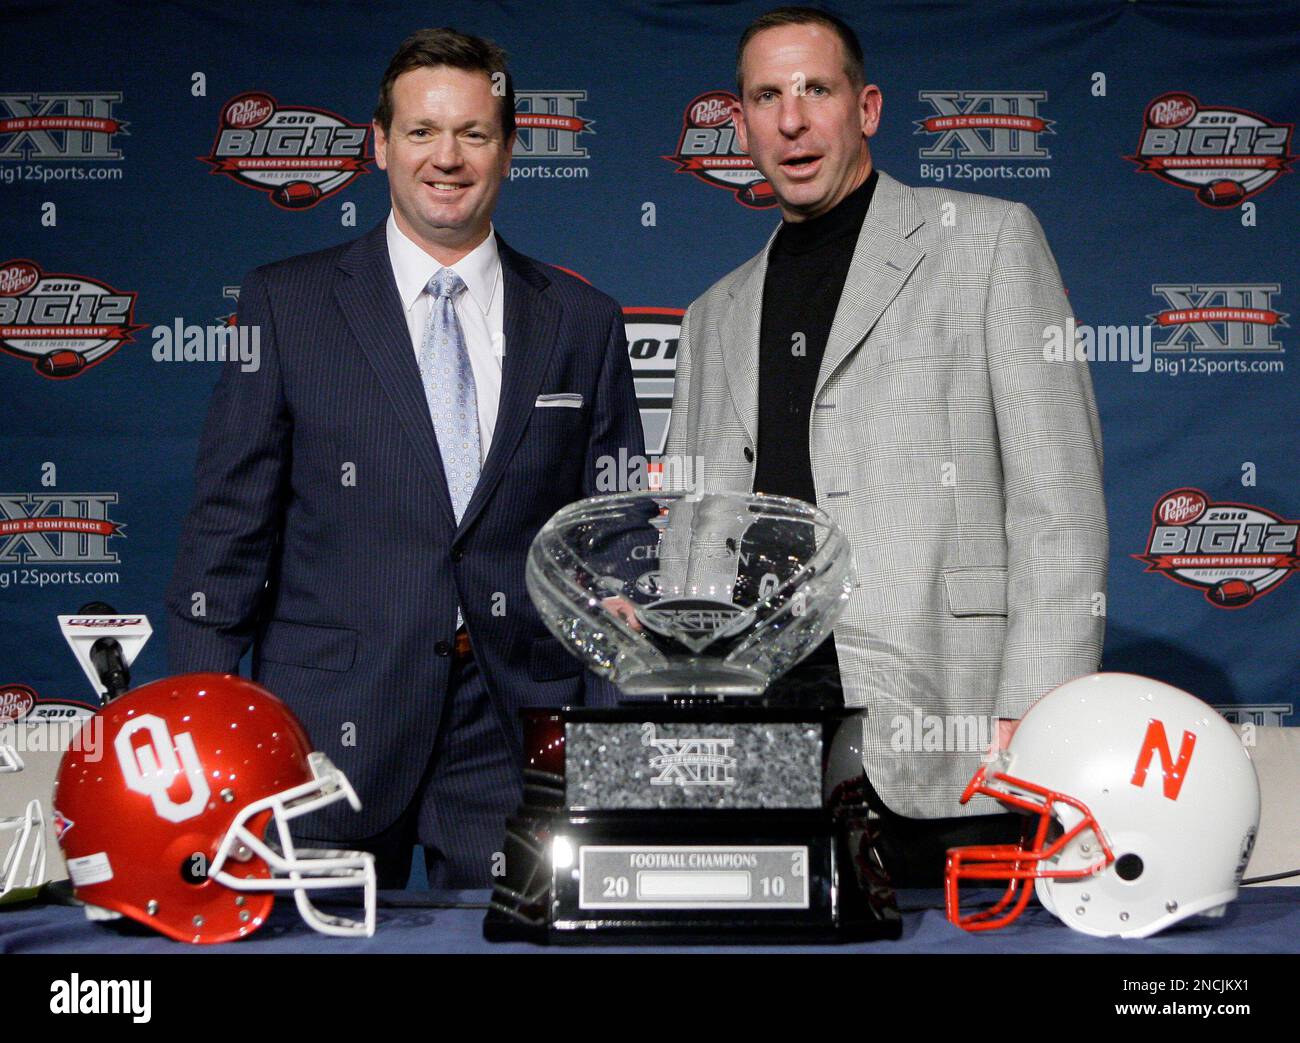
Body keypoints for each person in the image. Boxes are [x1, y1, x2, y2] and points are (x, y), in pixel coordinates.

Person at [166, 27, 643, 889]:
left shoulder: (583, 321)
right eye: (422, 131)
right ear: (379, 145)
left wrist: (603, 752)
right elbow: (227, 532)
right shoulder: (287, 305)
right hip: (323, 728)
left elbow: (610, 551)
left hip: (513, 725)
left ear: (509, 150)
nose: (447, 157)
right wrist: (203, 743)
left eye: (473, 133)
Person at [662, 7, 1107, 885]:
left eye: (815, 90)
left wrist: (1034, 711)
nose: (791, 119)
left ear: (865, 108)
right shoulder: (713, 312)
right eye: (766, 96)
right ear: (741, 121)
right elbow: (694, 523)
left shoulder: (985, 242)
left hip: (947, 731)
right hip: (760, 738)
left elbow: (1060, 504)